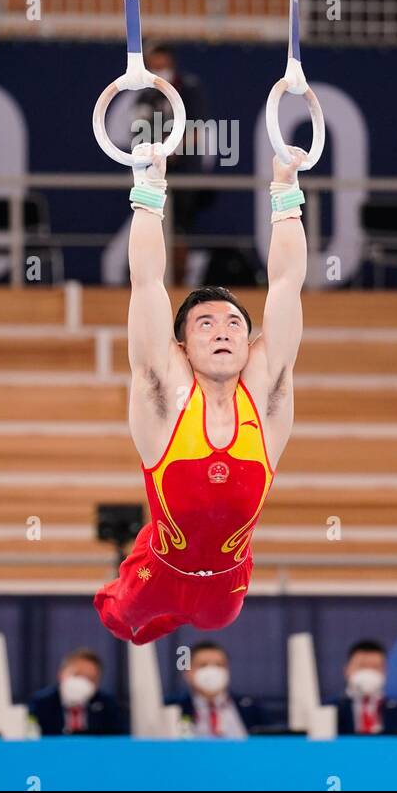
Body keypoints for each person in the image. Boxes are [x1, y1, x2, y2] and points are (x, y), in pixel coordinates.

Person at [94, 140, 308, 644]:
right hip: (158, 576)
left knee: (214, 623)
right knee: (117, 620)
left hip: (225, 592)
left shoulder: (267, 390)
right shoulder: (162, 395)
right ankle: (138, 593)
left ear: (250, 342)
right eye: (205, 323)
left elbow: (285, 284)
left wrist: (286, 188)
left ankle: (184, 613)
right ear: (181, 346)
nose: (222, 331)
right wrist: (148, 189)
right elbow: (146, 284)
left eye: (235, 323)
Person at [135, 44, 216, 285]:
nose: (158, 71)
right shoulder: (146, 94)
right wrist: (150, 152)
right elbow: (138, 131)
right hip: (154, 172)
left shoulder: (189, 89)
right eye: (154, 66)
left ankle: (178, 282)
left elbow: (198, 129)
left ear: (171, 64)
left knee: (179, 231)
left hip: (184, 173)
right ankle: (154, 280)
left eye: (162, 66)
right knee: (153, 227)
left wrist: (170, 148)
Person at [166, 641, 267, 737]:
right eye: (203, 665)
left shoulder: (251, 708)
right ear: (188, 672)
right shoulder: (172, 709)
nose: (212, 671)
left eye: (219, 665)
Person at [27, 647, 124, 736]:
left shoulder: (107, 704)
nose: (82, 682)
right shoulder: (41, 702)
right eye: (77, 675)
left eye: (90, 678)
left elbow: (120, 740)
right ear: (61, 674)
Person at [333, 639, 397, 736]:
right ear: (347, 670)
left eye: (375, 667)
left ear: (385, 672)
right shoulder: (330, 710)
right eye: (362, 666)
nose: (368, 673)